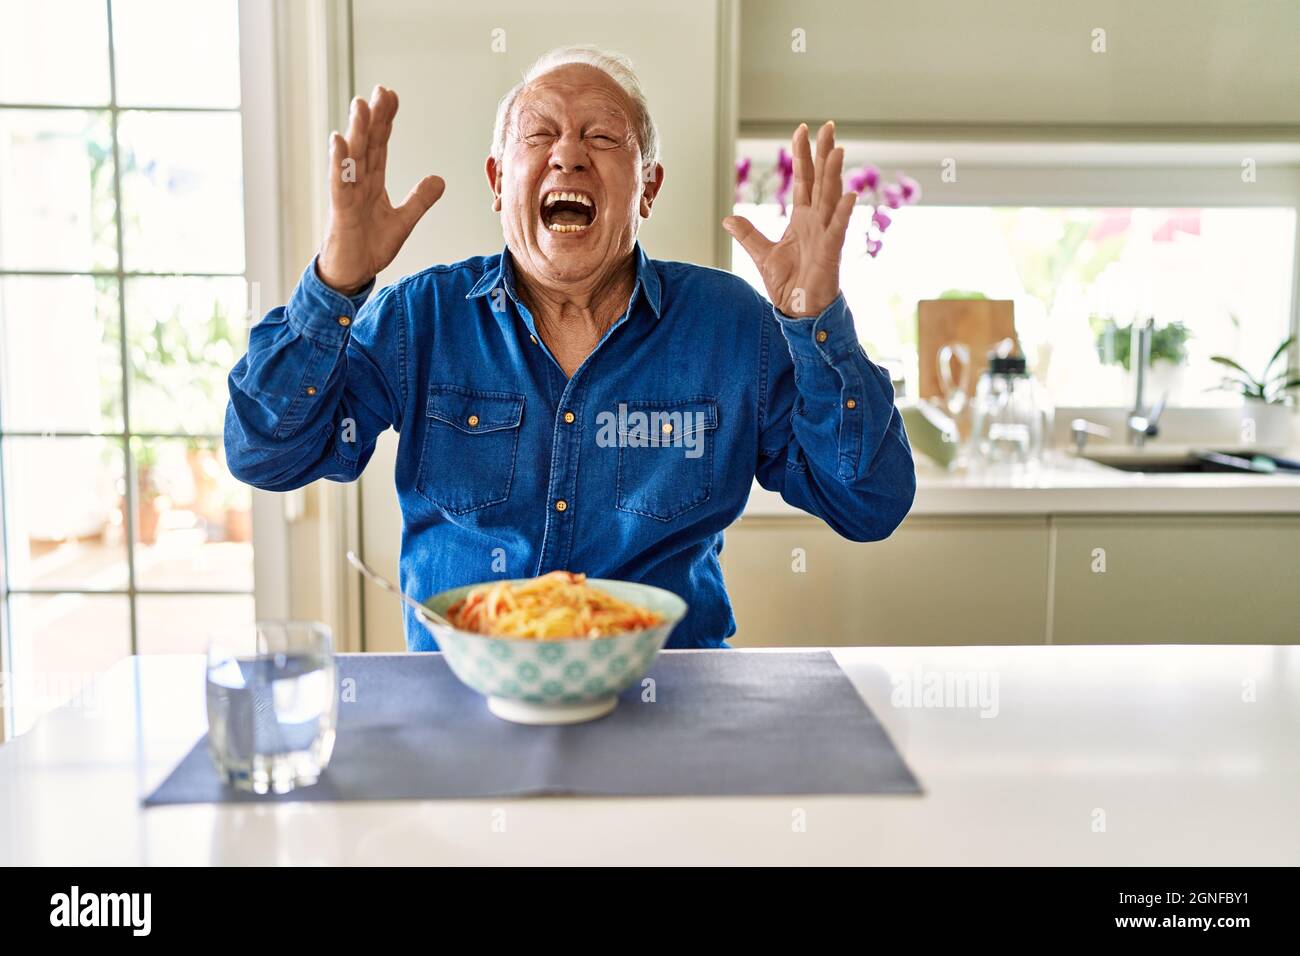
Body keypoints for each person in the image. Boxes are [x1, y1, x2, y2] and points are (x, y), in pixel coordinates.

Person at [225, 45, 915, 649]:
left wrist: (816, 322)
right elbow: (264, 453)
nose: (568, 153)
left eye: (603, 138)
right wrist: (336, 283)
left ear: (648, 187)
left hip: (669, 705)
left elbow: (868, 504)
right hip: (469, 706)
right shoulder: (421, 317)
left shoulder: (732, 325)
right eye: (541, 134)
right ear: (500, 183)